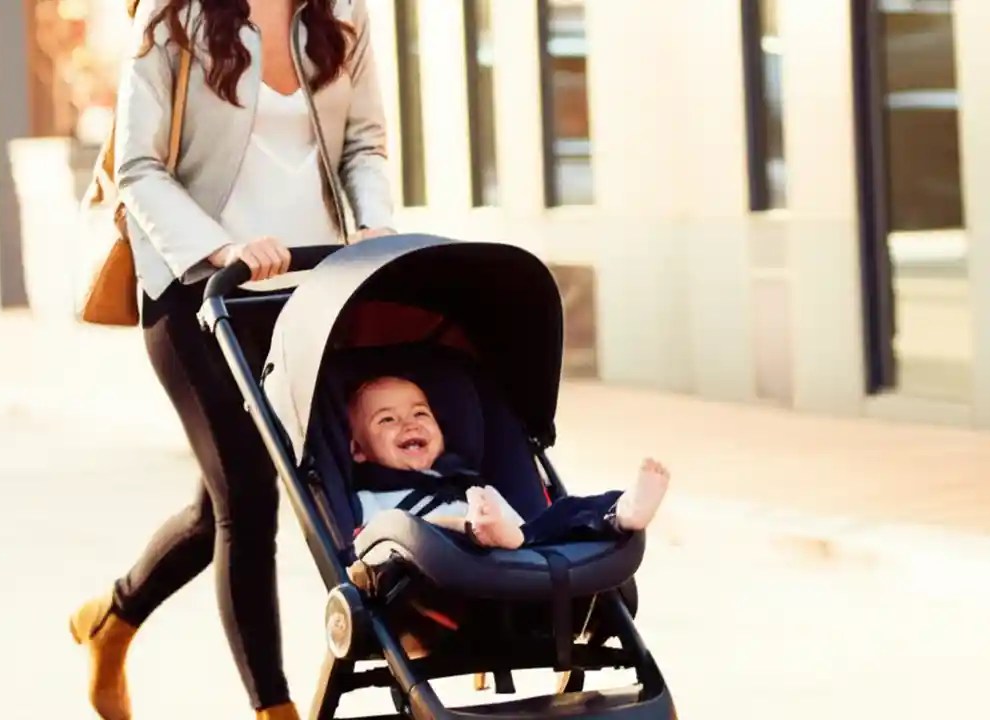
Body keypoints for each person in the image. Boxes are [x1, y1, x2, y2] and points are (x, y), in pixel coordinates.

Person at [66, 1, 395, 719]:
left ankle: (110, 620)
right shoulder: (172, 19)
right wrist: (224, 248)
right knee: (248, 497)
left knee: (221, 499)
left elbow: (364, 142)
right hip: (197, 291)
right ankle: (273, 709)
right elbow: (139, 167)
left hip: (306, 290)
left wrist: (374, 225)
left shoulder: (342, 14)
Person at [347, 377, 670, 548]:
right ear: (358, 450)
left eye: (420, 413)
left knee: (563, 513)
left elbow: (528, 530)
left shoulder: (472, 486)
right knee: (405, 530)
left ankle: (620, 511)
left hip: (511, 551)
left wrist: (518, 535)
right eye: (387, 419)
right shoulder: (366, 500)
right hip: (425, 577)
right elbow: (362, 549)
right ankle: (477, 533)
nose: (409, 424)